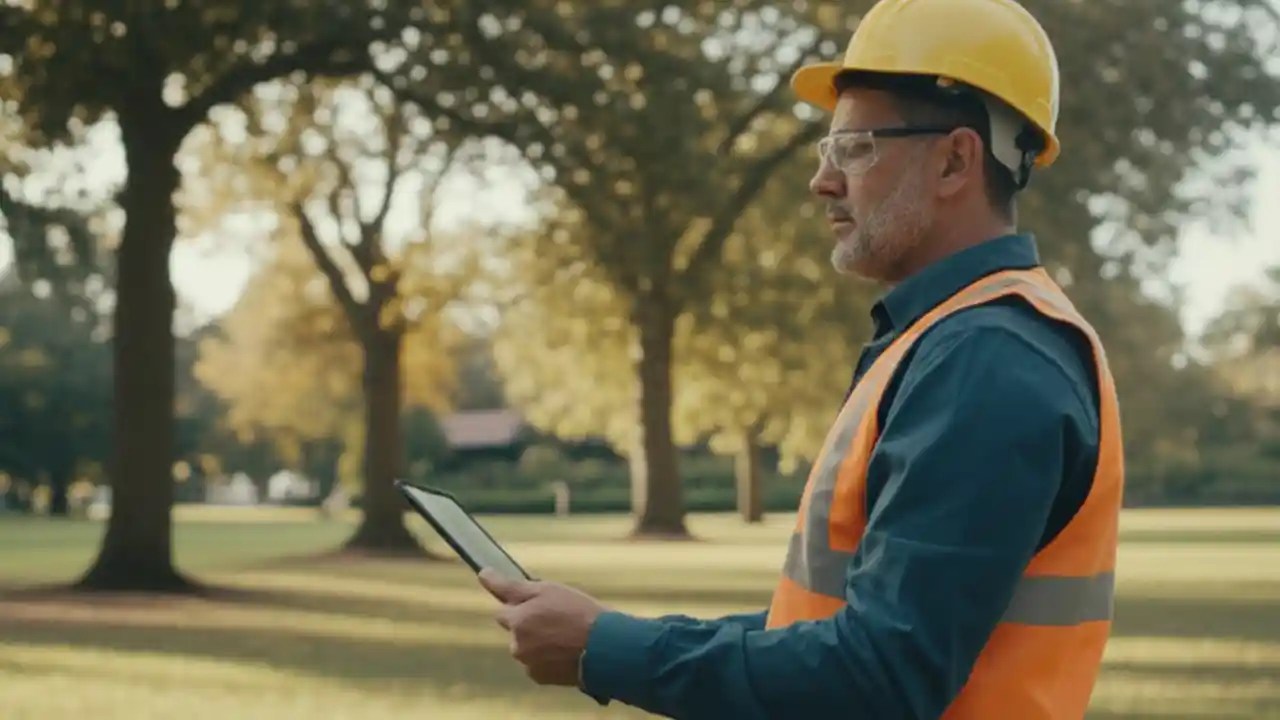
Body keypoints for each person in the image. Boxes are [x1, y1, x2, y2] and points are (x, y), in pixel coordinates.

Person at [477, 0, 1125, 717]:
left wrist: (610, 649)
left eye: (854, 148)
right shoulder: (950, 339)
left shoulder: (988, 359)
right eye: (827, 151)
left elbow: (880, 675)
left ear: (954, 160)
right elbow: (830, 631)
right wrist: (612, 637)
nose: (823, 180)